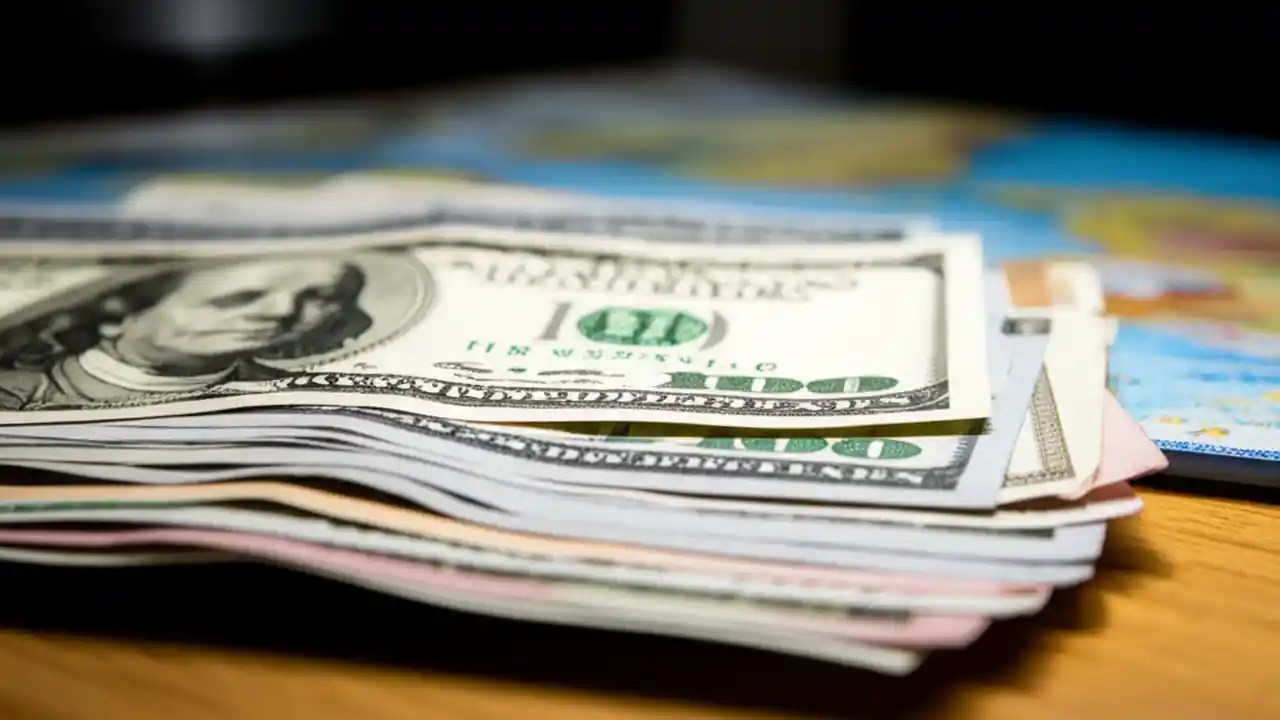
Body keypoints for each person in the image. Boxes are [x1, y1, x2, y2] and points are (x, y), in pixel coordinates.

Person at [0, 257, 371, 410]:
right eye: (238, 298)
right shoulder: (14, 392)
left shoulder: (302, 404)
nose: (282, 312)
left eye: (319, 298)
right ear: (119, 315)